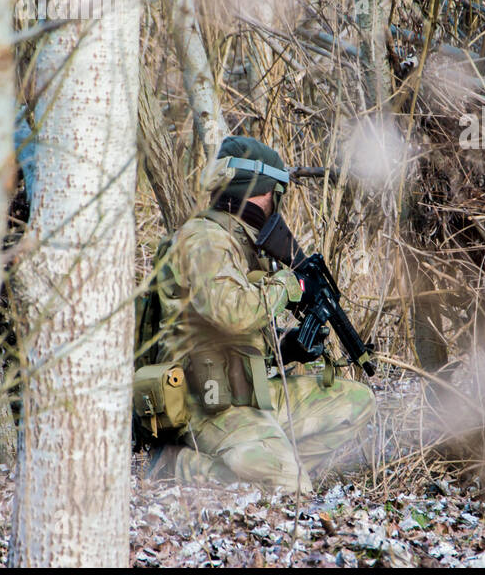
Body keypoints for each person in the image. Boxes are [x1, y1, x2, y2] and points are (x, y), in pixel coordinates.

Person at [143, 136, 374, 491]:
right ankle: (181, 467)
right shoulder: (205, 240)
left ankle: (256, 466)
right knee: (288, 482)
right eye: (276, 194)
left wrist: (286, 345)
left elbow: (231, 339)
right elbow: (231, 313)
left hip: (246, 395)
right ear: (264, 191)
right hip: (203, 406)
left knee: (357, 402)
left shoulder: (240, 246)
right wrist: (290, 286)